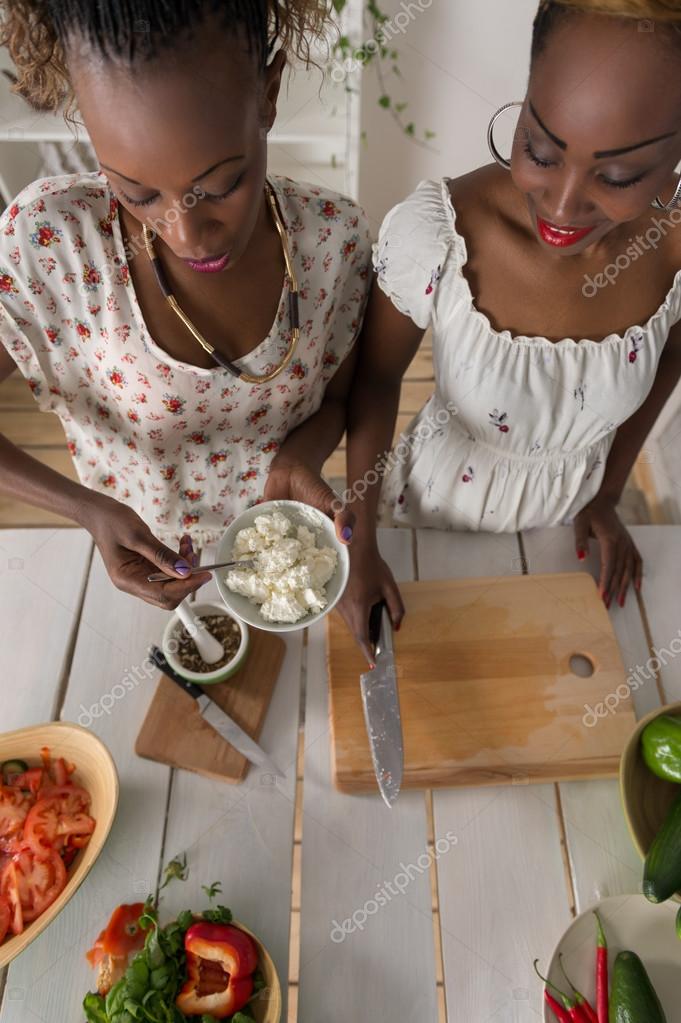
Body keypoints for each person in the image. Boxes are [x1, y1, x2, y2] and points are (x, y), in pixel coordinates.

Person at [341, 0, 681, 663]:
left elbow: (669, 359)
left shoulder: (672, 253)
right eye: (539, 149)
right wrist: (360, 546)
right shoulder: (438, 235)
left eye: (615, 177)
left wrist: (608, 496)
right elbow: (375, 381)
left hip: (571, 520)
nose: (560, 206)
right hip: (433, 509)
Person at [0, 0, 365, 608]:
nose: (188, 235)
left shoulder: (332, 239)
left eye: (221, 186)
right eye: (137, 193)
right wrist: (87, 510)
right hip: (133, 545)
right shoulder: (53, 244)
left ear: (269, 93)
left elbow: (342, 396)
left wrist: (300, 457)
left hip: (281, 540)